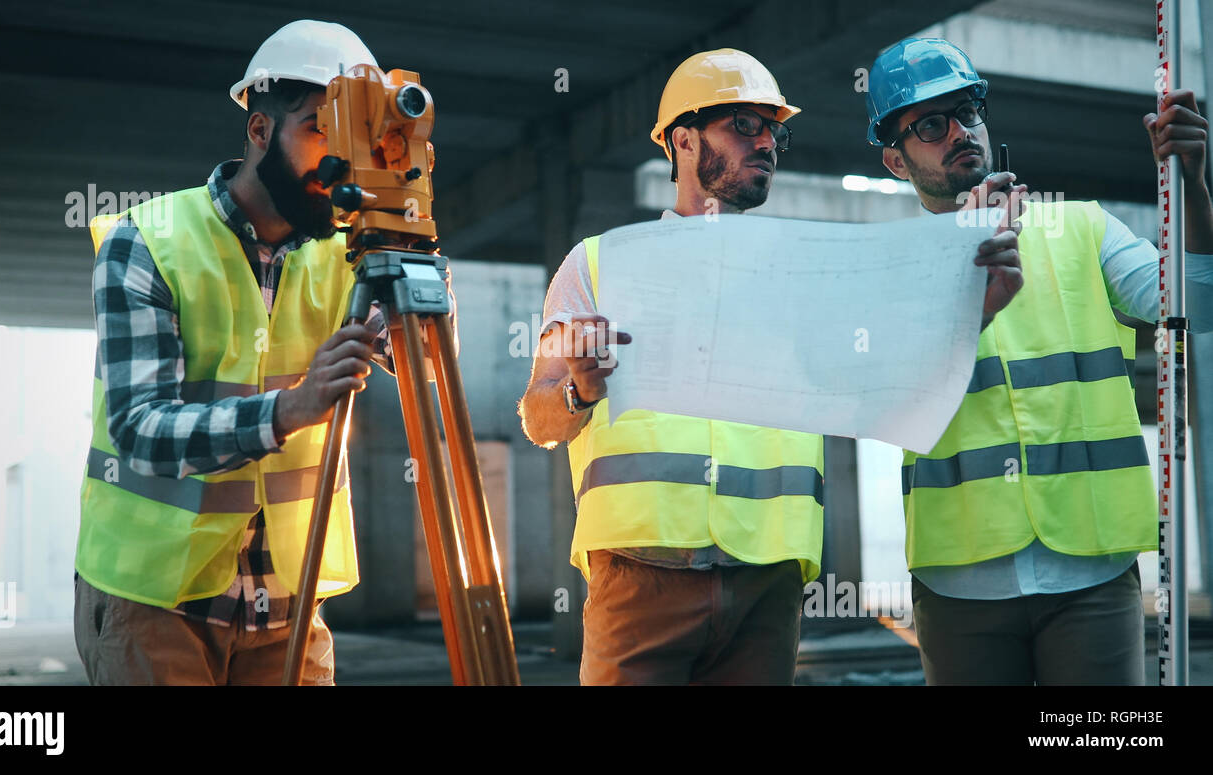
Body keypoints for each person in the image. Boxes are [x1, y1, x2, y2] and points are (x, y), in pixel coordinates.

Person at [519, 48, 1021, 685]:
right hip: (642, 578)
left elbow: (888, 381)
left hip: (769, 587)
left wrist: (975, 309)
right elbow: (540, 419)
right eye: (744, 126)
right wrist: (578, 390)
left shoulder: (805, 272)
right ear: (682, 140)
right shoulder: (600, 264)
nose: (766, 144)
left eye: (773, 131)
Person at [865, 37, 1213, 685]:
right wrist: (967, 294)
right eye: (931, 126)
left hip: (1092, 570)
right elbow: (880, 399)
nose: (958, 132)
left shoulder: (1083, 228)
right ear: (894, 159)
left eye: (966, 112)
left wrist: (1193, 188)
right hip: (960, 580)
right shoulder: (884, 269)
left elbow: (1200, 300)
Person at [74, 20, 389, 685]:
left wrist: (408, 249)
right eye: (320, 129)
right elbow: (140, 428)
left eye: (355, 136)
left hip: (290, 601)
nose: (339, 158)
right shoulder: (148, 241)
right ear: (260, 130)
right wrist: (290, 409)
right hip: (155, 601)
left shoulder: (350, 250)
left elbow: (425, 363)